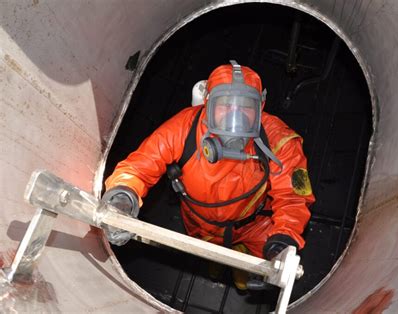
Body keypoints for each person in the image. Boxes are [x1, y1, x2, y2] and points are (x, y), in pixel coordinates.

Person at [102, 60, 315, 289]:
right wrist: (123, 197)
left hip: (252, 226)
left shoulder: (280, 141)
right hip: (200, 224)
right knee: (207, 258)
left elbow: (292, 198)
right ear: (207, 103)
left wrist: (284, 238)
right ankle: (216, 263)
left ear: (261, 106)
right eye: (225, 104)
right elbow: (139, 167)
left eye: (245, 105)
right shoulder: (184, 127)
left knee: (255, 266)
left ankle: (242, 264)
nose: (235, 116)